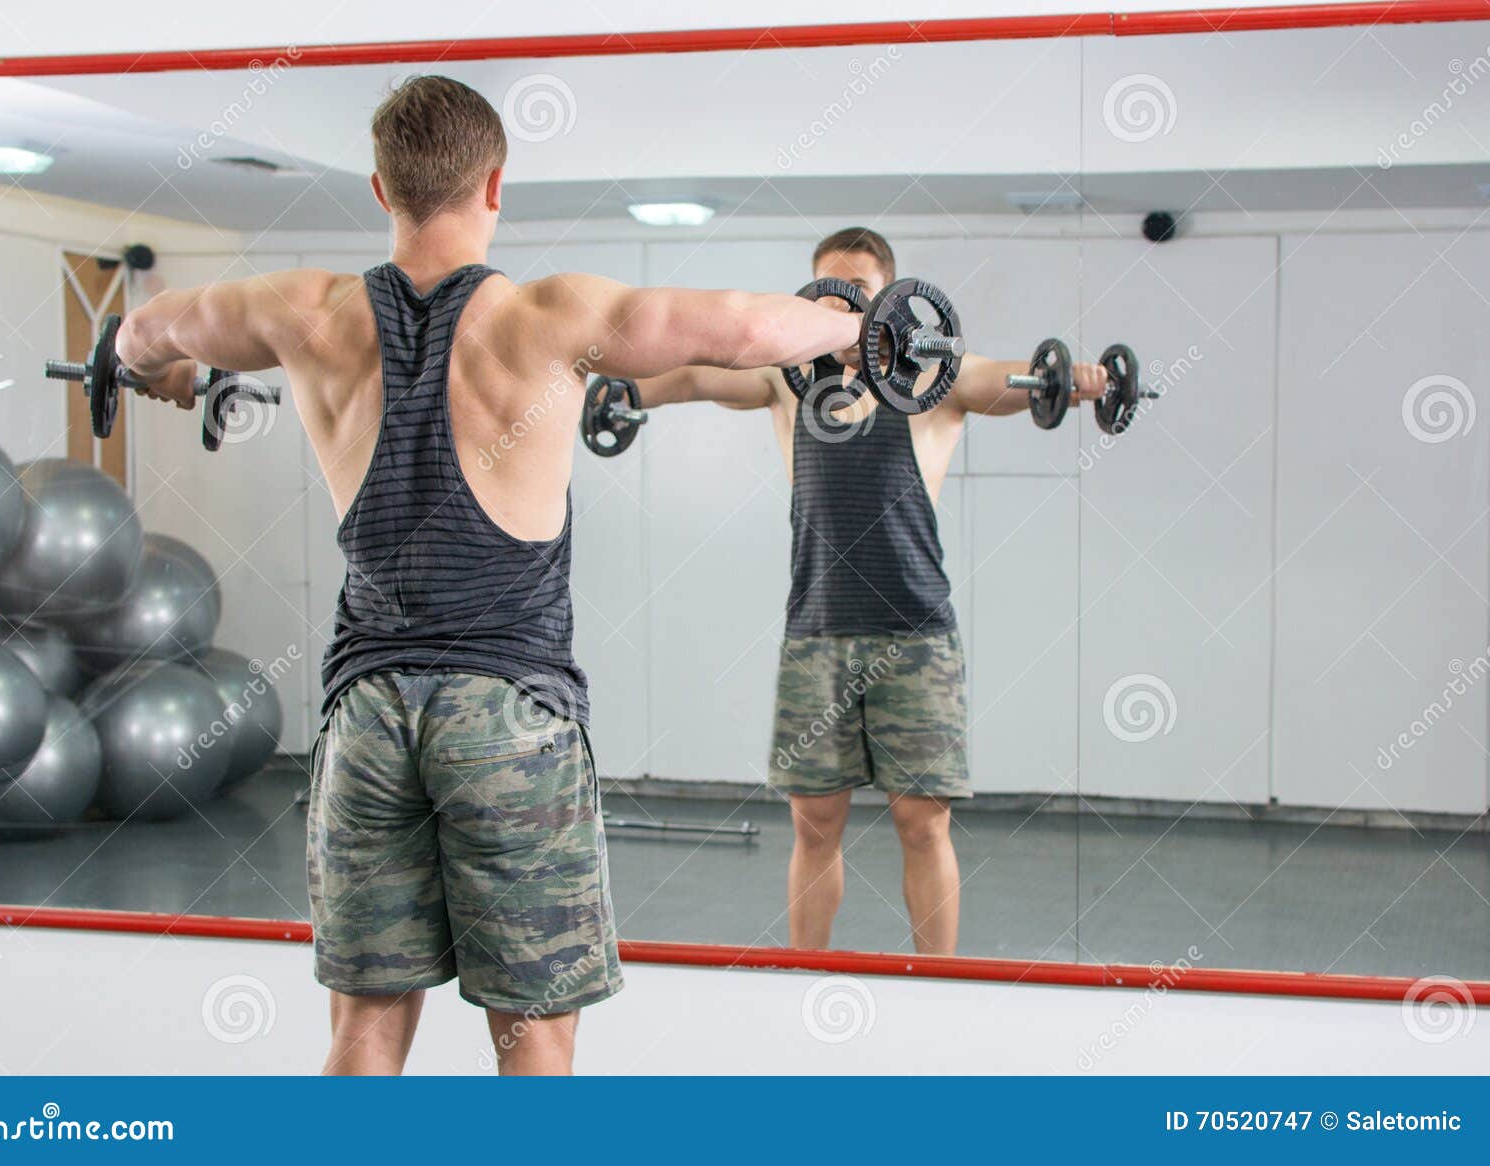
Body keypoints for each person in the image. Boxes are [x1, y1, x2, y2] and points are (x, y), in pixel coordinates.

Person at [114, 75, 863, 1076]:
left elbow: (147, 327)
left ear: (381, 188)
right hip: (505, 716)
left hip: (365, 714)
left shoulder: (301, 311)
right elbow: (744, 328)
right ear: (495, 183)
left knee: (363, 1031)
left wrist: (144, 366)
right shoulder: (548, 317)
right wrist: (862, 325)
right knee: (531, 1035)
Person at [632, 227, 1107, 957]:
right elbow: (693, 374)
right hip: (816, 635)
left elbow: (1012, 381)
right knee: (814, 824)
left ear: (892, 300)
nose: (844, 311)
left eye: (859, 294)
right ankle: (807, 974)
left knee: (924, 823)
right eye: (831, 293)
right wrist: (611, 387)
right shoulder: (783, 383)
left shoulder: (932, 388)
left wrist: (1074, 379)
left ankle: (940, 987)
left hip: (916, 639)